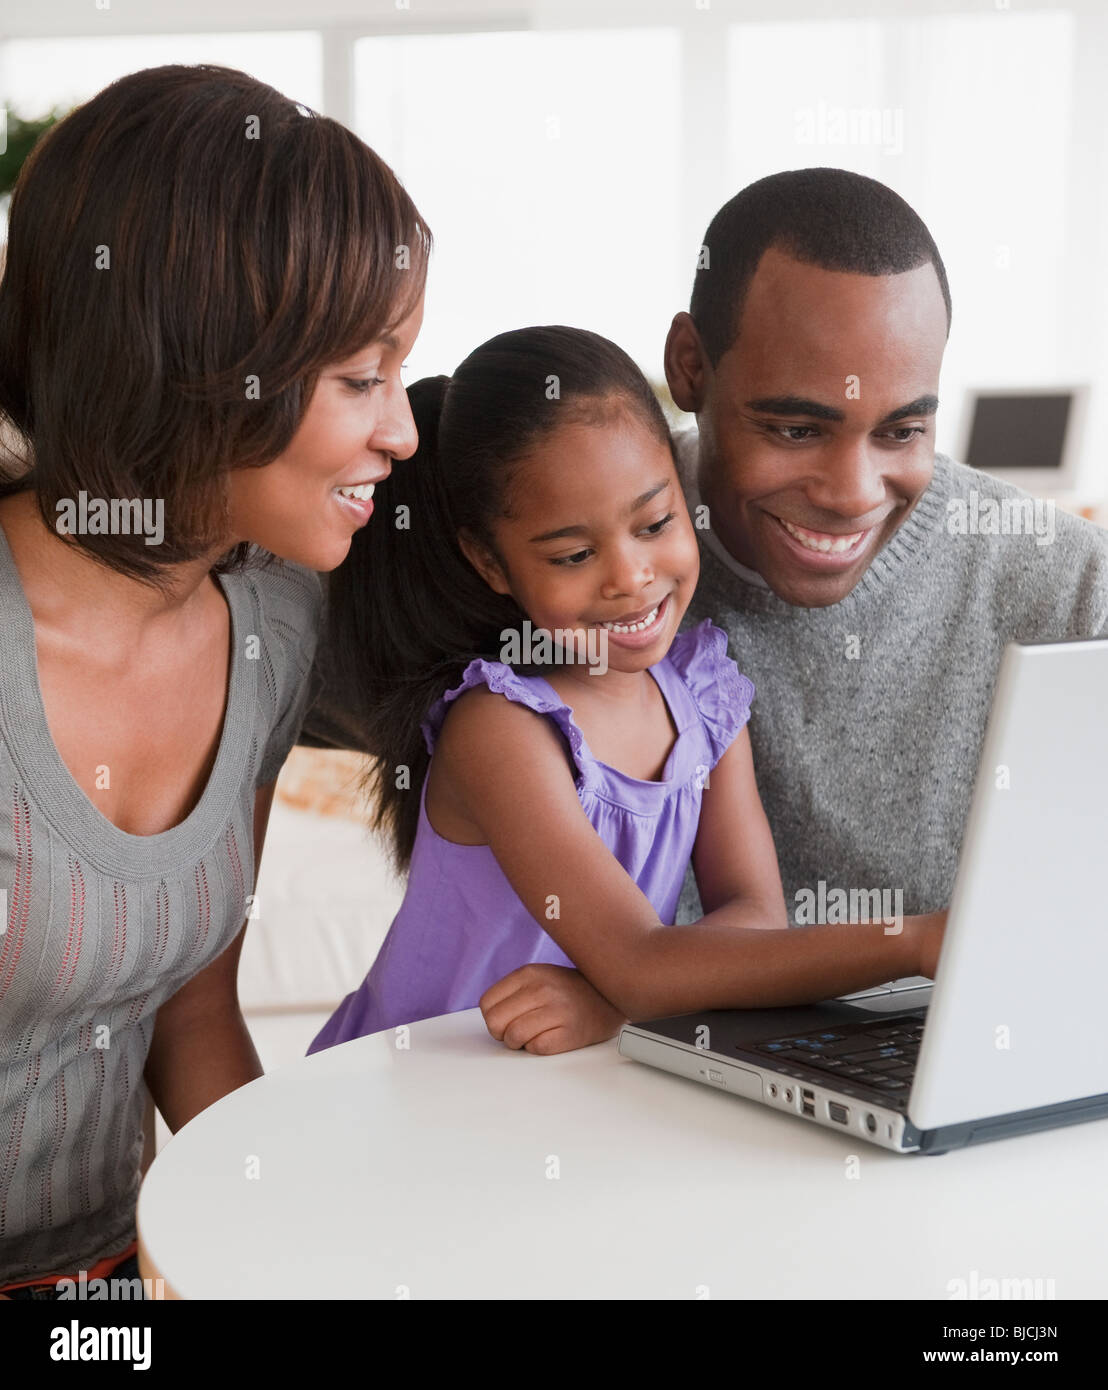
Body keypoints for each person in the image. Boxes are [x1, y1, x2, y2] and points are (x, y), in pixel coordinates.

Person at [0, 64, 428, 1295]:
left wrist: (305, 1251)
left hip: (106, 1278)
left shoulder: (272, 625)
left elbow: (189, 1020)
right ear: (197, 363)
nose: (400, 431)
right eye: (361, 379)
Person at [305, 326, 943, 1060]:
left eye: (655, 522)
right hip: (419, 1091)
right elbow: (639, 960)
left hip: (569, 1086)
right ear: (491, 564)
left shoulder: (703, 698)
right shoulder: (500, 729)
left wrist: (615, 1001)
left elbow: (756, 916)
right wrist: (915, 942)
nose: (631, 576)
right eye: (576, 554)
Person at [662, 168, 1108, 929]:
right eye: (796, 429)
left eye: (901, 432)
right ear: (690, 367)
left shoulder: (1075, 593)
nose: (852, 495)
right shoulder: (566, 554)